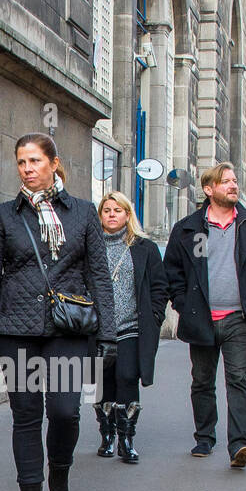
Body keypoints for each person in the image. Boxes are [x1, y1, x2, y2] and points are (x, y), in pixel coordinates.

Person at [0, 134, 115, 491]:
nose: (27, 168)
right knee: (26, 416)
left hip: (67, 328)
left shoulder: (83, 214)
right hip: (15, 330)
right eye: (20, 162)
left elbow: (99, 275)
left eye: (34, 160)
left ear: (53, 163)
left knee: (66, 411)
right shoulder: (4, 215)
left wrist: (109, 334)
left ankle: (60, 480)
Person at [162, 163, 246, 466]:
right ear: (209, 189)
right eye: (225, 181)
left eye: (234, 181)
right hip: (201, 317)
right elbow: (172, 270)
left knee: (238, 379)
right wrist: (182, 304)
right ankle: (204, 437)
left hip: (239, 318)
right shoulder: (189, 228)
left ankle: (240, 444)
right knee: (202, 380)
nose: (232, 186)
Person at [93, 191, 168, 463]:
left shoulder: (144, 248)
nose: (112, 214)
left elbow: (160, 286)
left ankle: (127, 438)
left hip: (132, 328)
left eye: (118, 210)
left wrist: (154, 316)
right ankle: (107, 434)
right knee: (100, 384)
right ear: (100, 215)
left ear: (128, 214)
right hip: (98, 330)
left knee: (127, 377)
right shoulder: (91, 247)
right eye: (107, 210)